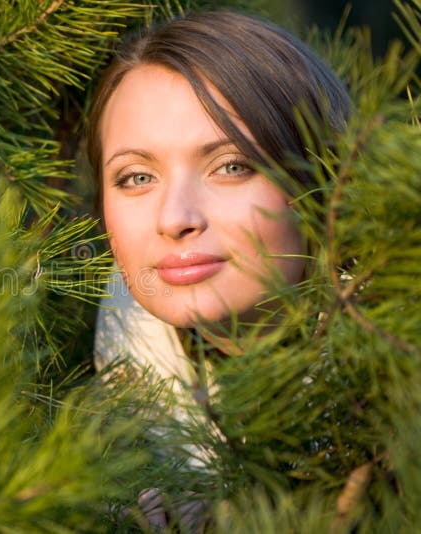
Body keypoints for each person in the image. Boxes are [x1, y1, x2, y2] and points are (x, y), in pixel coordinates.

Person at [86, 10, 351, 530]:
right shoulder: (128, 326)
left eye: (231, 166)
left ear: (323, 178)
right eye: (137, 177)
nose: (175, 219)